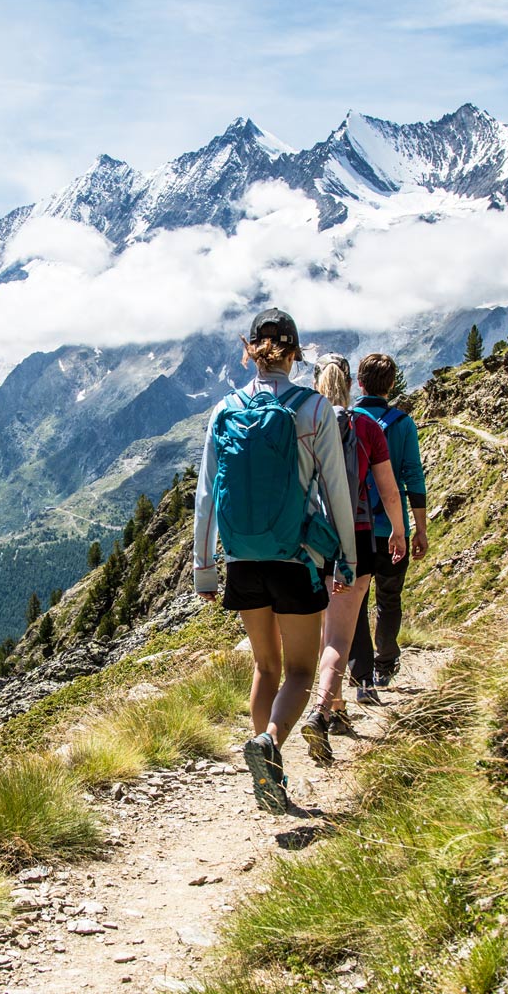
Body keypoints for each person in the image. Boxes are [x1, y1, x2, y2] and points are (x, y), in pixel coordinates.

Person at [193, 309, 356, 814]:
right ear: (295, 352)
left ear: (251, 351)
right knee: (302, 671)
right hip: (297, 559)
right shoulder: (314, 410)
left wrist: (205, 567)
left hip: (241, 559)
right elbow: (336, 491)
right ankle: (270, 746)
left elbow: (206, 497)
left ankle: (265, 775)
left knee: (265, 666)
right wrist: (346, 559)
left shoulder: (224, 410)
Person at [299, 355, 405, 764]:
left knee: (326, 626)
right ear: (351, 384)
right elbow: (389, 489)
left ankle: (337, 708)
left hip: (311, 541)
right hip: (357, 537)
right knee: (340, 636)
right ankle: (322, 710)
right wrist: (398, 530)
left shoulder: (302, 422)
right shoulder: (366, 427)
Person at [347, 353, 428, 704]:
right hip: (394, 528)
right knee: (389, 598)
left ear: (359, 383)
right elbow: (414, 478)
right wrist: (418, 529)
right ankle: (385, 663)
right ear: (391, 385)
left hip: (356, 528)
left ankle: (361, 674)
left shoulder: (347, 420)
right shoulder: (404, 424)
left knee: (356, 602)